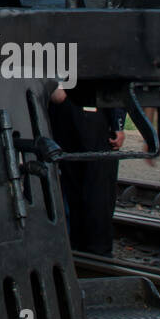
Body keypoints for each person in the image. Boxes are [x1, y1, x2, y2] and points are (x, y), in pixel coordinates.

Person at [47, 90, 124, 256]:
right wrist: (118, 123)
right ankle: (96, 250)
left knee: (74, 182)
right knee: (97, 184)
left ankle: (79, 246)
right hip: (89, 105)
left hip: (68, 106)